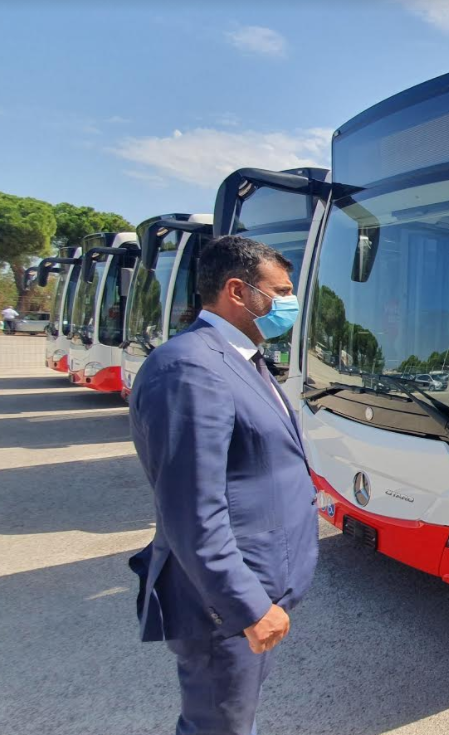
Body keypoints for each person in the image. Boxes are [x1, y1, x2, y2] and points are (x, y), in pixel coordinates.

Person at [127, 235, 318, 735]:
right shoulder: (190, 368)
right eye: (281, 292)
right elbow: (193, 511)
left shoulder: (239, 358)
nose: (290, 303)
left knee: (235, 719)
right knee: (217, 726)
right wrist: (247, 607)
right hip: (224, 608)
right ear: (237, 291)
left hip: (254, 593)